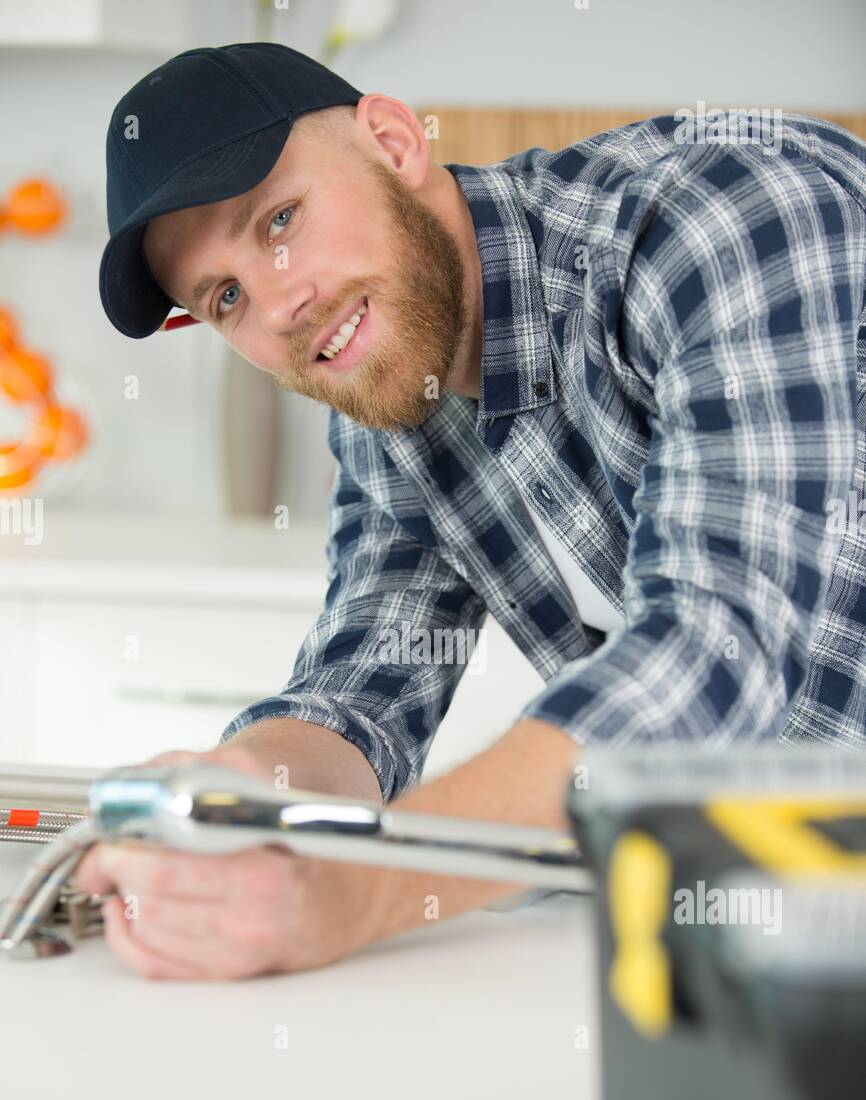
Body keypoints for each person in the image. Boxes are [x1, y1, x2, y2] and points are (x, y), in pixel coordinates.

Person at [81, 41, 866, 980]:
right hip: (774, 931)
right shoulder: (390, 408)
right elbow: (357, 699)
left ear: (394, 139)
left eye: (280, 219)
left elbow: (716, 649)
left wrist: (349, 889)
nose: (280, 306)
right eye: (227, 297)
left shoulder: (727, 217)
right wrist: (249, 790)